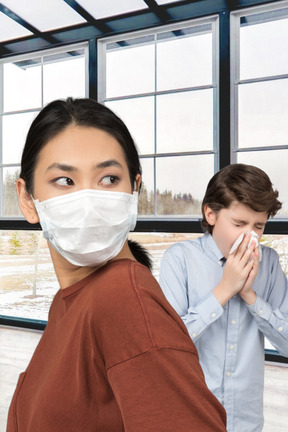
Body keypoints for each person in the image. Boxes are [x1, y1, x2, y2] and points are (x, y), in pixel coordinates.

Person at [7, 97, 227, 432]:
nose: (89, 201)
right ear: (28, 200)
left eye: (109, 179)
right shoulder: (68, 302)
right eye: (65, 181)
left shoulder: (122, 297)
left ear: (134, 190)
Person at [159, 163, 288, 432]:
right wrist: (224, 290)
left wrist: (250, 296)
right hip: (190, 417)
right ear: (211, 213)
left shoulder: (270, 264)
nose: (250, 236)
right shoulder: (179, 258)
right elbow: (166, 344)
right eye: (239, 223)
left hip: (246, 421)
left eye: (259, 226)